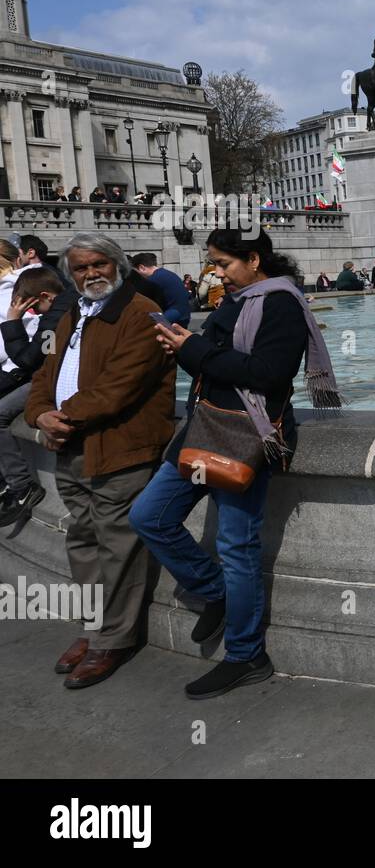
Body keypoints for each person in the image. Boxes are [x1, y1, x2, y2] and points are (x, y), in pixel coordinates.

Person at [130, 228, 342, 699]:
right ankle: (217, 592)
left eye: (223, 263)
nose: (216, 272)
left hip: (248, 435)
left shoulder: (280, 303)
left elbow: (267, 375)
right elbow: (212, 367)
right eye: (214, 264)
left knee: (236, 545)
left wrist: (196, 348)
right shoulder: (236, 300)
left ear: (253, 258)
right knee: (148, 516)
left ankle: (247, 655)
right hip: (205, 426)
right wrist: (185, 348)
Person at [26, 232, 177, 688]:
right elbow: (43, 371)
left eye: (99, 265)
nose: (90, 274)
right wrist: (39, 414)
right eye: (80, 268)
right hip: (72, 443)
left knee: (118, 547)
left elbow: (117, 388)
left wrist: (61, 417)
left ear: (118, 266)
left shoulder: (141, 316)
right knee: (84, 541)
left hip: (118, 445)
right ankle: (94, 630)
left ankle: (114, 639)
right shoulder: (71, 314)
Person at [0, 265, 68, 525]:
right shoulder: (56, 311)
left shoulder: (55, 317)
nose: (33, 313)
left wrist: (13, 321)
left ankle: (21, 486)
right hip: (43, 377)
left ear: (44, 296)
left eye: (33, 308)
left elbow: (28, 358)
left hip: (46, 380)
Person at [129, 253, 192, 327]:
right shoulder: (168, 273)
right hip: (183, 315)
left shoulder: (153, 280)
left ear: (142, 267)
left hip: (172, 317)